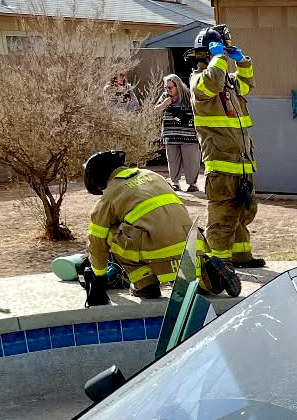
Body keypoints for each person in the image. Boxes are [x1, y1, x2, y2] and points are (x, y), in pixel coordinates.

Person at [189, 24, 265, 279]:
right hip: (221, 165)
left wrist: (242, 62)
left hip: (242, 163)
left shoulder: (228, 84)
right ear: (208, 54)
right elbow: (210, 82)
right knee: (222, 219)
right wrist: (219, 58)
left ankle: (241, 255)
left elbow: (246, 84)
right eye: (222, 49)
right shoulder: (198, 81)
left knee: (243, 212)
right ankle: (218, 269)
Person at [81, 149, 193, 306]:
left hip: (157, 250)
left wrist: (99, 275)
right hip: (190, 244)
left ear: (98, 177)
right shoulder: (154, 176)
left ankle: (145, 283)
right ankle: (210, 272)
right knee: (196, 278)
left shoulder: (109, 195)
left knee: (109, 234)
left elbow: (96, 242)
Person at [155, 74, 201, 193]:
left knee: (192, 160)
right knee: (173, 160)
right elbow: (156, 111)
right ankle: (175, 182)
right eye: (166, 88)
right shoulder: (165, 96)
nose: (167, 90)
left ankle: (192, 183)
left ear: (178, 86)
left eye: (170, 88)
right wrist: (165, 104)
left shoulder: (188, 95)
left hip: (189, 135)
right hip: (171, 135)